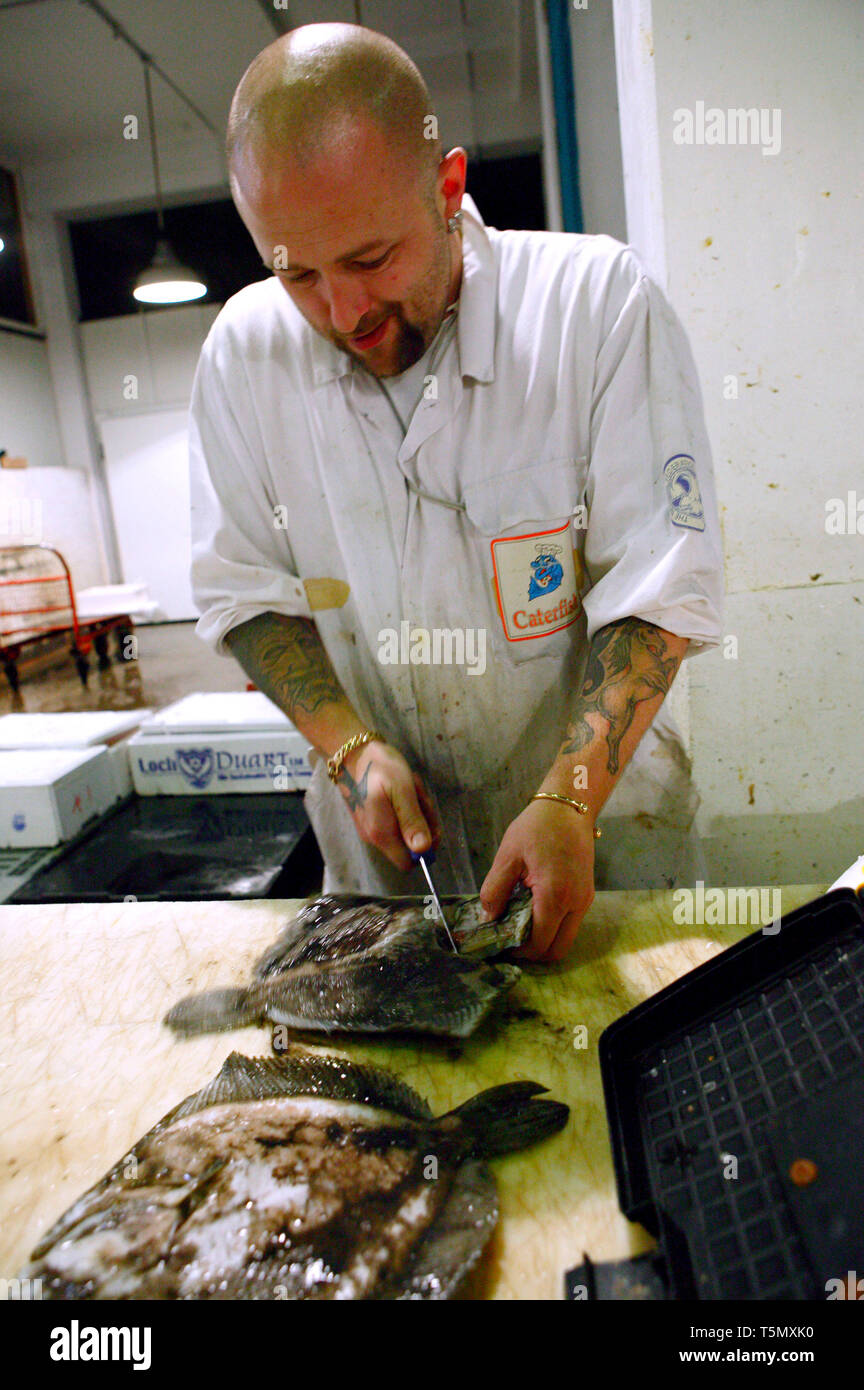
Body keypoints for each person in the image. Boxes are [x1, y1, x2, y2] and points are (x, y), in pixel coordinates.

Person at [189, 23, 724, 962]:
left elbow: (661, 584)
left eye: (369, 260)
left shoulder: (593, 307)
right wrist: (353, 749)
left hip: (603, 844)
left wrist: (568, 796)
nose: (344, 313)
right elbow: (245, 595)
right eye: (297, 273)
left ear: (447, 189)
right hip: (385, 880)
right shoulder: (244, 355)